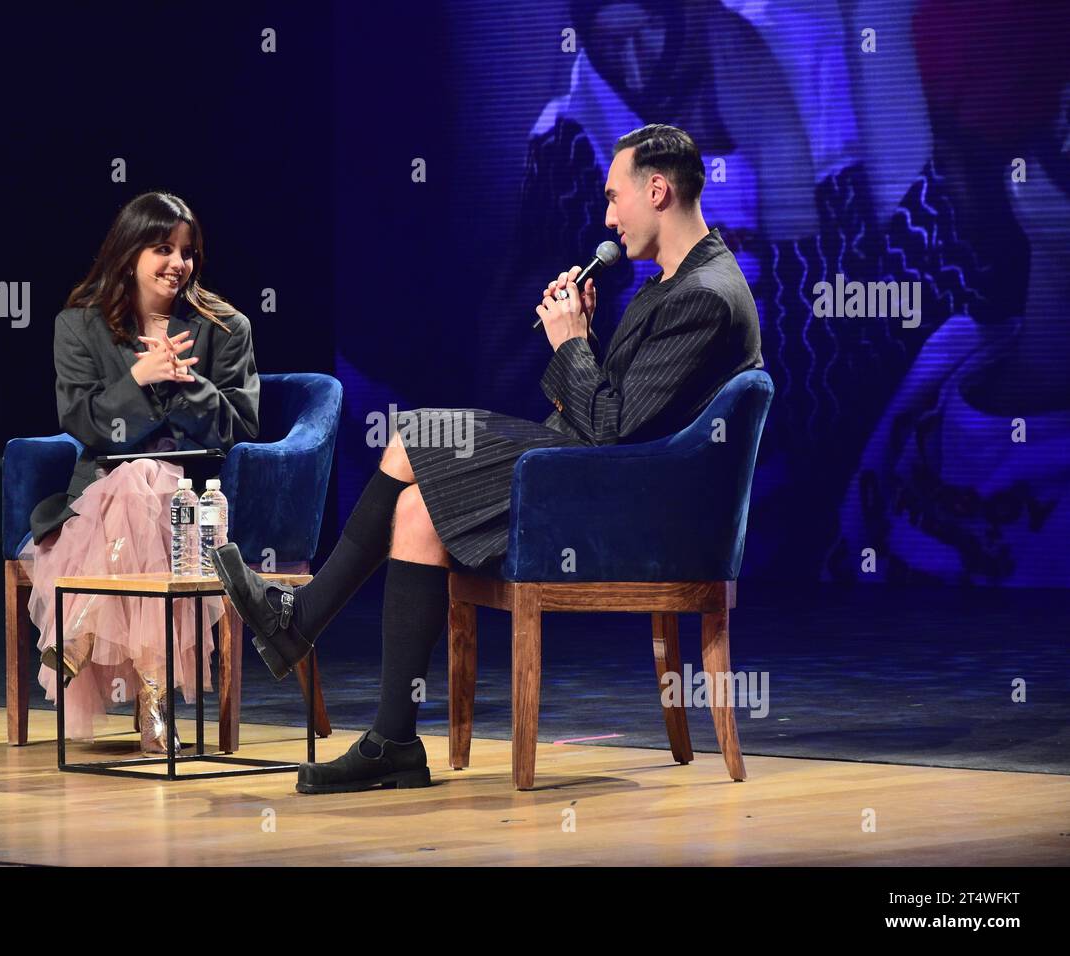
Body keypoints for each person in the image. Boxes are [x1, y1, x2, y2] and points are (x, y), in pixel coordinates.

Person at [214, 124, 763, 793]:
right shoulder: (674, 284)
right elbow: (616, 415)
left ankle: (299, 621)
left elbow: (612, 432)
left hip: (617, 510)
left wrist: (569, 345)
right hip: (596, 479)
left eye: (616, 197)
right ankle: (393, 741)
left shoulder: (704, 296)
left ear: (658, 190)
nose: (609, 215)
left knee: (414, 435)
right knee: (415, 511)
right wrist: (583, 336)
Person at [21, 191, 259, 754]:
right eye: (162, 248)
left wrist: (183, 383)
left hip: (197, 501)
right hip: (97, 503)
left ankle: (77, 633)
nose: (178, 263)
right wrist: (139, 379)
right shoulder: (79, 325)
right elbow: (82, 424)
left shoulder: (224, 327)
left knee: (151, 481)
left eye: (187, 251)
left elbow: (239, 430)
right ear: (129, 254)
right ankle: (156, 710)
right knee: (136, 481)